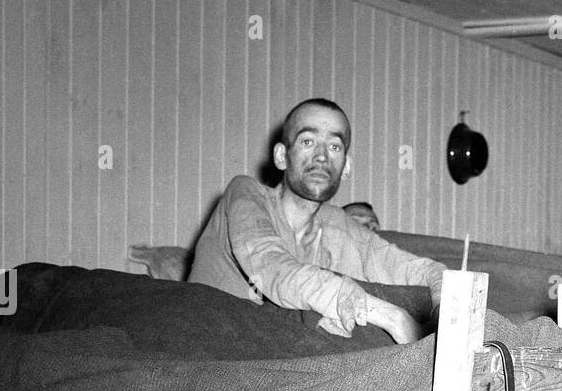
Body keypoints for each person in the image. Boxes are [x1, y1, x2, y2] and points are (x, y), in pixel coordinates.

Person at [189, 99, 442, 343]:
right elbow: (275, 269)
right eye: (308, 141)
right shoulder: (245, 193)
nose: (322, 156)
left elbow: (418, 269)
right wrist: (392, 317)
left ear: (346, 167)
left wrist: (446, 308)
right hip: (199, 350)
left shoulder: (336, 225)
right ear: (281, 156)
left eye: (334, 146)